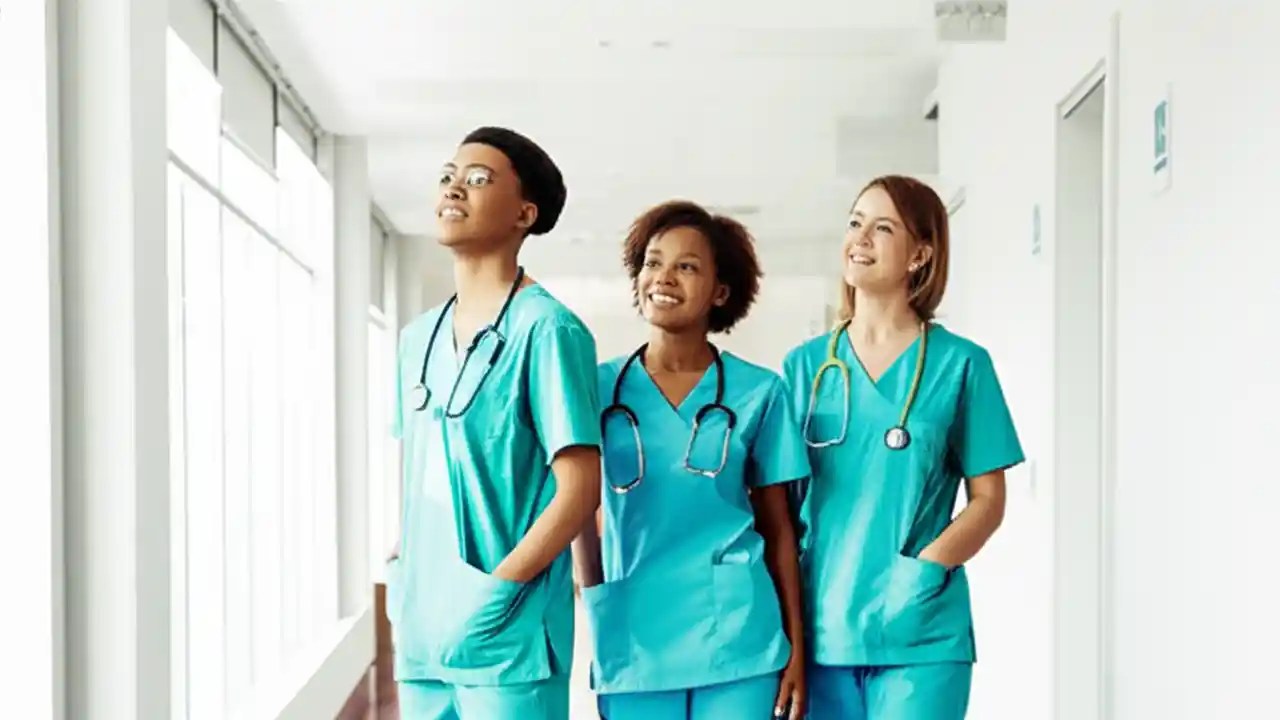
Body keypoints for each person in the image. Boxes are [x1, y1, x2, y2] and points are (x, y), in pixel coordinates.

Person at [780, 175, 1024, 719]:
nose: (860, 237)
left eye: (882, 227)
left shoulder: (962, 365)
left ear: (921, 253)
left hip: (921, 633)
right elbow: (779, 503)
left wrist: (927, 568)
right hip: (821, 627)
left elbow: (989, 500)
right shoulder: (805, 368)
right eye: (854, 222)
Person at [385, 126, 603, 720]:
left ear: (524, 214)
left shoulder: (547, 330)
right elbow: (413, 472)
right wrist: (401, 578)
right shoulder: (415, 339)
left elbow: (580, 488)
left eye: (479, 179)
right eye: (448, 175)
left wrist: (498, 593)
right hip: (423, 631)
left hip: (505, 633)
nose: (455, 186)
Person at [579, 200, 811, 720]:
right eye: (653, 262)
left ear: (720, 292)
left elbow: (779, 531)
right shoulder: (594, 389)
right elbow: (578, 517)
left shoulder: (760, 392)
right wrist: (595, 603)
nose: (664, 277)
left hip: (738, 636)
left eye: (687, 266)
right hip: (633, 634)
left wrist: (795, 649)